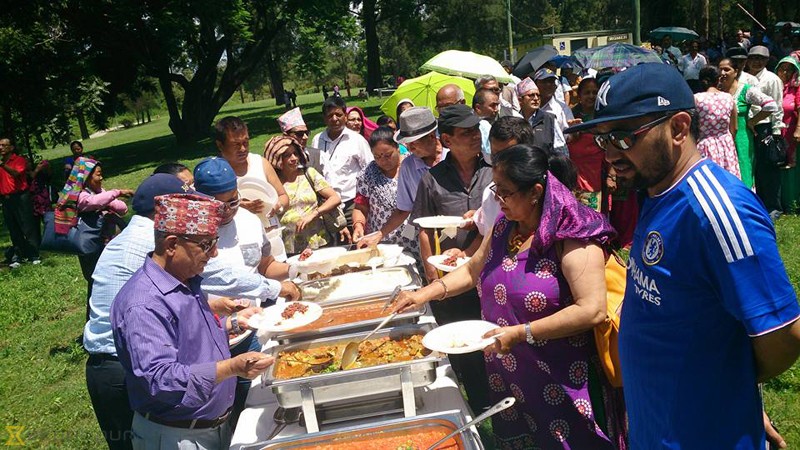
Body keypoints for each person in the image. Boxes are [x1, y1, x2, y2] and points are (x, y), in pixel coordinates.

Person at [566, 62, 800, 449]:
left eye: (623, 137)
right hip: (656, 427)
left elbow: (782, 337)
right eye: (602, 139)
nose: (611, 155)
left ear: (677, 128)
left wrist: (734, 390)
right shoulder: (655, 190)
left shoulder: (717, 211)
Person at [395, 144, 626, 449]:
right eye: (495, 191)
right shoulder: (505, 225)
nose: (497, 200)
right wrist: (421, 294)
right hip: (511, 371)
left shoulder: (572, 235)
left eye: (505, 192)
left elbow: (591, 310)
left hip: (563, 376)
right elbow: (472, 270)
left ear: (535, 191)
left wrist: (521, 332)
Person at [111, 193, 274, 449]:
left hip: (209, 429)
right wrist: (232, 368)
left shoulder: (185, 279)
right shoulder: (143, 304)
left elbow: (189, 342)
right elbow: (160, 378)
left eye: (215, 241)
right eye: (207, 244)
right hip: (176, 437)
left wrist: (231, 324)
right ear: (172, 244)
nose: (215, 252)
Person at [84, 173, 199, 450]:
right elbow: (213, 273)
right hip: (128, 369)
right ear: (164, 211)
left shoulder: (126, 237)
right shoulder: (155, 242)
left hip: (103, 371)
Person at [409, 104, 492, 413]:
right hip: (451, 278)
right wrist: (433, 279)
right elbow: (424, 231)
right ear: (447, 139)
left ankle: (506, 400)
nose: (474, 137)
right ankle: (480, 406)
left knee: (491, 336)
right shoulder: (432, 180)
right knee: (463, 345)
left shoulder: (493, 171)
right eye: (466, 133)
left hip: (490, 271)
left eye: (475, 131)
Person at [356, 107, 447, 250]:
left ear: (431, 136)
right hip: (426, 239)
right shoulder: (408, 166)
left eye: (413, 143)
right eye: (407, 143)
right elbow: (403, 209)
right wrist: (380, 234)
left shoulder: (453, 157)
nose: (409, 148)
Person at [55, 157, 133, 319]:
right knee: (96, 280)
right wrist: (115, 193)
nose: (101, 178)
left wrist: (110, 201)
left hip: (107, 244)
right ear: (87, 177)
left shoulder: (101, 193)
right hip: (92, 247)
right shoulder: (77, 195)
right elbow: (90, 203)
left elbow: (123, 208)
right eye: (98, 175)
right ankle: (93, 320)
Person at [263, 135, 344, 253]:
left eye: (295, 153)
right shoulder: (272, 183)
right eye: (287, 155)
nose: (294, 158)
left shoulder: (309, 173)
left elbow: (335, 198)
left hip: (319, 241)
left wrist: (313, 215)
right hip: (290, 246)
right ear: (277, 159)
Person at [309, 96, 373, 234]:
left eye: (338, 114)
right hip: (326, 204)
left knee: (356, 242)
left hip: (351, 202)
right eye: (330, 115)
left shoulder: (357, 140)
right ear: (324, 118)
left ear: (345, 116)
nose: (334, 119)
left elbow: (369, 170)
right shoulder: (317, 140)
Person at [351, 126, 418, 256]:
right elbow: (360, 206)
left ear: (398, 147)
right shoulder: (367, 174)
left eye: (388, 155)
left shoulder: (413, 165)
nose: (383, 161)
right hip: (381, 240)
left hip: (414, 238)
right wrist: (358, 225)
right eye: (377, 156)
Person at [214, 116, 289, 224]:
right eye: (236, 144)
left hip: (271, 232)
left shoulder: (260, 163)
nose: (243, 149)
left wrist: (277, 206)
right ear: (220, 145)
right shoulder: (214, 172)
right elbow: (209, 209)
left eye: (245, 142)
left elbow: (283, 196)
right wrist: (238, 206)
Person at [718, 58, 778, 189]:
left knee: (743, 168)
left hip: (742, 138)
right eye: (720, 69)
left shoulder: (745, 90)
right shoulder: (716, 91)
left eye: (727, 69)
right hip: (721, 139)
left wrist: (752, 121)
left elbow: (771, 105)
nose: (722, 72)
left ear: (736, 71)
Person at [472, 116, 535, 238]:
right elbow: (487, 240)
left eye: (508, 156)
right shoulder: (490, 195)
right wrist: (464, 254)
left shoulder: (550, 197)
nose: (500, 164)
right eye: (496, 156)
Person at [747, 46, 786, 219]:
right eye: (753, 58)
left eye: (761, 59)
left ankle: (773, 207)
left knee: (768, 167)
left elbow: (777, 106)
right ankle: (758, 202)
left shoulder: (772, 79)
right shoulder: (745, 78)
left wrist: (776, 132)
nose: (757, 61)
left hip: (765, 126)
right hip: (747, 126)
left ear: (767, 60)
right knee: (754, 166)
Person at [568, 78, 609, 212]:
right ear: (579, 96)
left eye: (594, 92)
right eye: (587, 92)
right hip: (575, 174)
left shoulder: (605, 116)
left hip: (597, 175)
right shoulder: (570, 115)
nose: (591, 96)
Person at [0, 137, 41, 268]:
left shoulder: (19, 160)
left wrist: (2, 164)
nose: (0, 148)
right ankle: (19, 255)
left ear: (11, 148)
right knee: (13, 229)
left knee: (27, 226)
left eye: (3, 145)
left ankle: (34, 255)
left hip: (21, 197)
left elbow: (17, 174)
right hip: (6, 199)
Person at [694, 66, 740, 178]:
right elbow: (735, 128)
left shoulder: (696, 99)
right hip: (726, 144)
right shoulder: (729, 98)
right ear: (718, 79)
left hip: (704, 144)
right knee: (729, 179)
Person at [516, 78, 559, 154]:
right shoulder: (515, 121)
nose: (536, 99)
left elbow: (560, 149)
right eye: (531, 95)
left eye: (538, 95)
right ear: (520, 100)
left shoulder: (550, 119)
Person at [473, 88, 501, 163]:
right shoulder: (484, 126)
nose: (496, 109)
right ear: (478, 108)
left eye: (497, 105)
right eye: (492, 105)